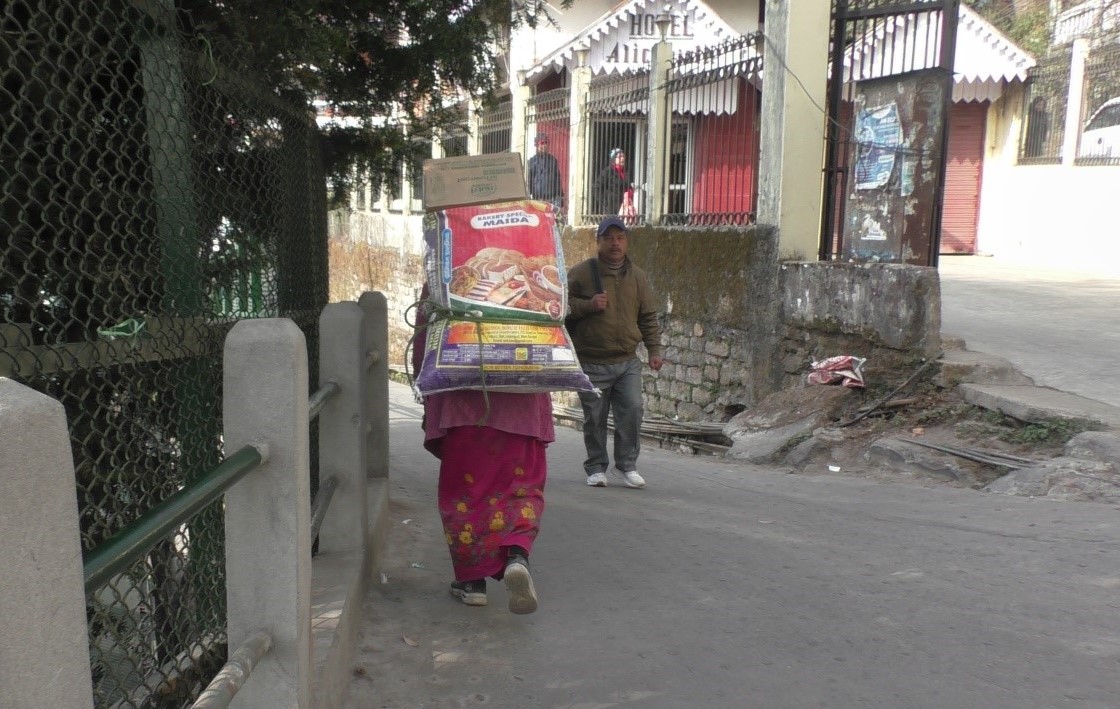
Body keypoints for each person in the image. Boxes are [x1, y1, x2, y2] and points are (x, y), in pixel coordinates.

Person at [412, 286, 553, 614]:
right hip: (524, 401)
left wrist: (427, 393)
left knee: (466, 494)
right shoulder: (532, 266)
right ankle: (517, 554)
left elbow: (425, 337)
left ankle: (471, 582)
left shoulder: (449, 270)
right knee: (522, 489)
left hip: (464, 403)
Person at [565, 215, 663, 489]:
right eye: (608, 238)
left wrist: (654, 349)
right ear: (598, 242)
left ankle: (627, 466)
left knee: (632, 411)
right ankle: (596, 467)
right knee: (595, 417)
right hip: (592, 361)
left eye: (620, 238)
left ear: (627, 242)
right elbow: (560, 308)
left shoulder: (638, 277)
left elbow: (648, 316)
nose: (615, 243)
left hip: (627, 361)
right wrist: (589, 305)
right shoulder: (582, 273)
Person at [592, 148, 636, 220]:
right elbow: (596, 187)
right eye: (619, 157)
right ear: (613, 159)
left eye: (623, 156)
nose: (622, 159)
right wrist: (605, 202)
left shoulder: (625, 173)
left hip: (624, 207)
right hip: (612, 208)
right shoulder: (608, 171)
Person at [526, 134, 564, 216]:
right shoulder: (532, 161)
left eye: (546, 143)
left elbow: (557, 179)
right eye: (542, 143)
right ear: (537, 145)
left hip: (551, 199)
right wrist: (530, 195)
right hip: (538, 199)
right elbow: (530, 180)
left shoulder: (553, 160)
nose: (544, 146)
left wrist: (560, 196)